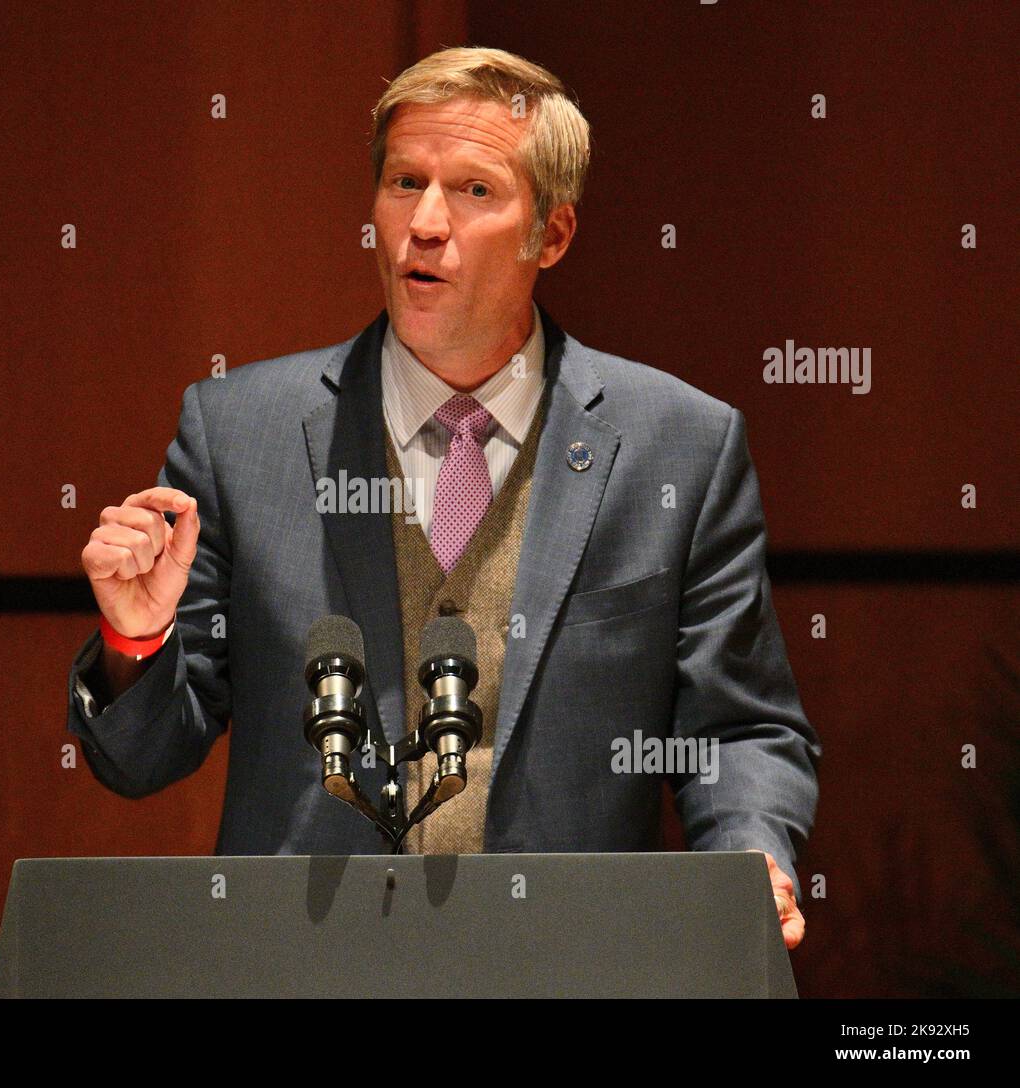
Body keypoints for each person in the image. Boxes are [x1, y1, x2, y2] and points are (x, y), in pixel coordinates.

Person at [67, 46, 820, 948]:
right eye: (403, 182)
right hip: (307, 972)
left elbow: (737, 728)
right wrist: (135, 640)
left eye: (473, 191)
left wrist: (751, 855)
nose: (425, 222)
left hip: (570, 967)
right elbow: (141, 760)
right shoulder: (242, 435)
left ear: (554, 233)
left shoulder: (680, 447)